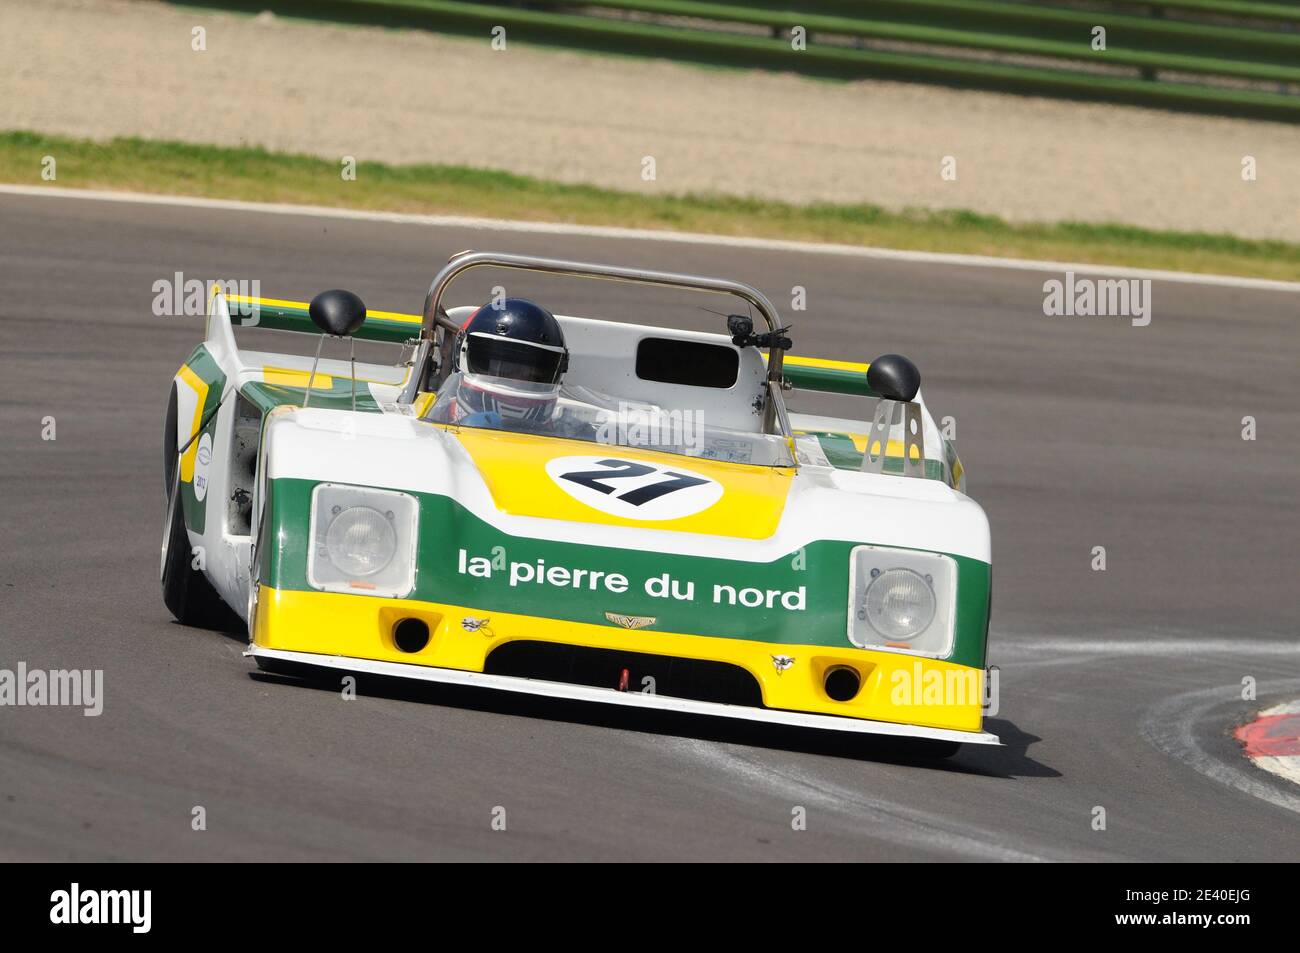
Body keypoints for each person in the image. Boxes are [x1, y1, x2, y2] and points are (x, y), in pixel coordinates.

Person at [428, 297, 584, 435]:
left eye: (528, 373)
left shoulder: (572, 434)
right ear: (462, 355)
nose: (515, 382)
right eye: (505, 369)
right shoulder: (428, 425)